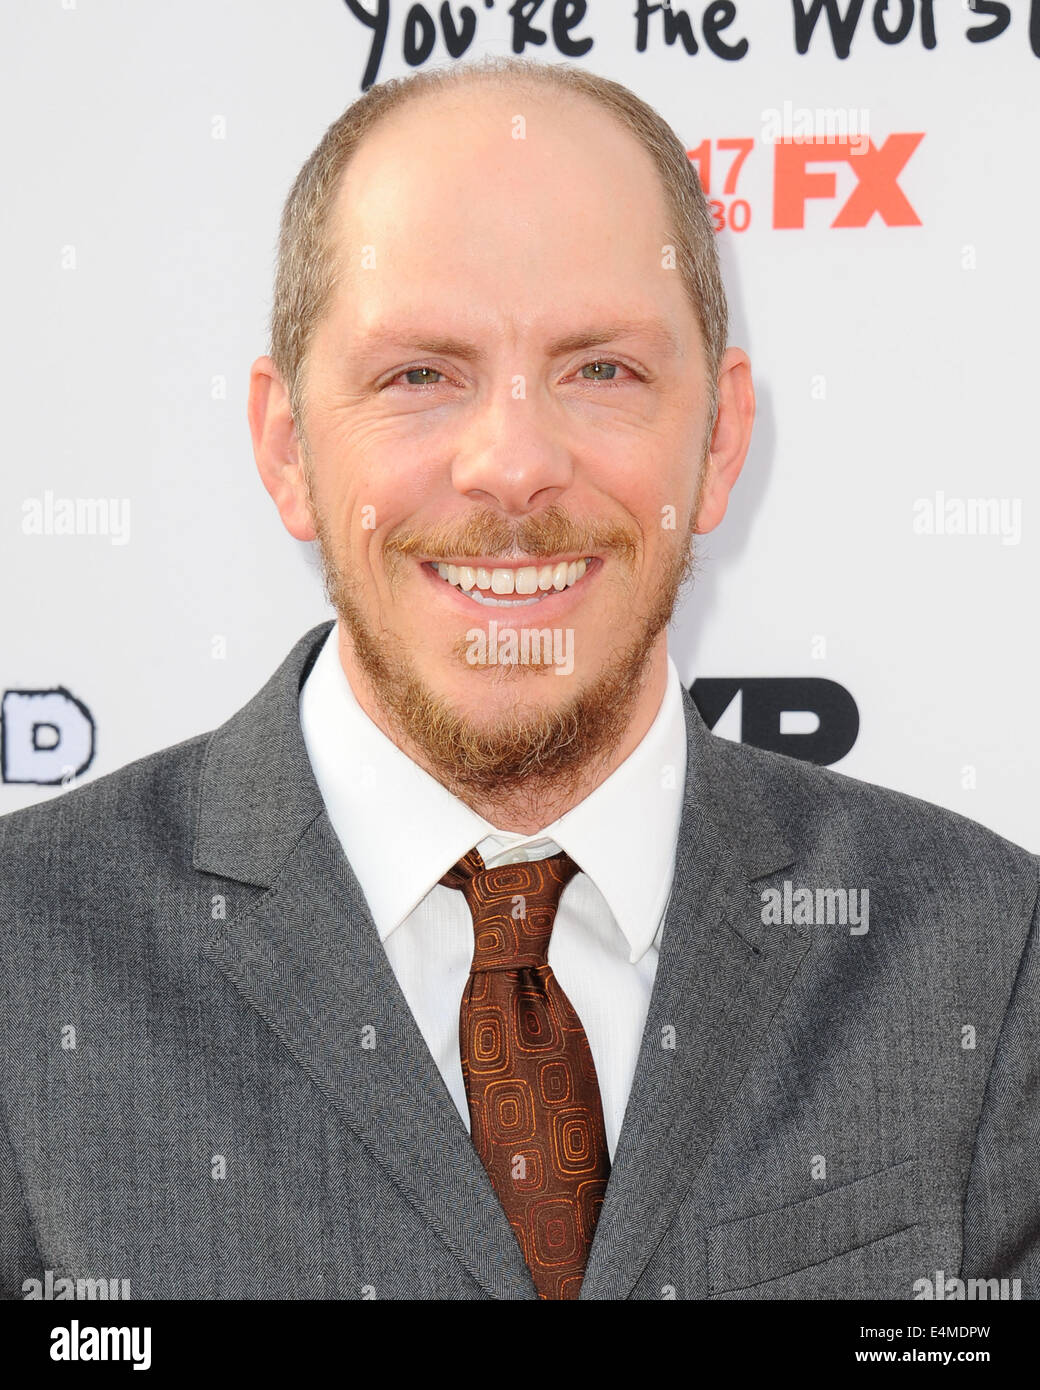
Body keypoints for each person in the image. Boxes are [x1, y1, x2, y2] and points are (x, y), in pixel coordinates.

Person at [1, 56, 1037, 1303]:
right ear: (286, 449)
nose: (511, 463)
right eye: (418, 375)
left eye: (600, 369)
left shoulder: (982, 958)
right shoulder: (28, 957)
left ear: (717, 442)